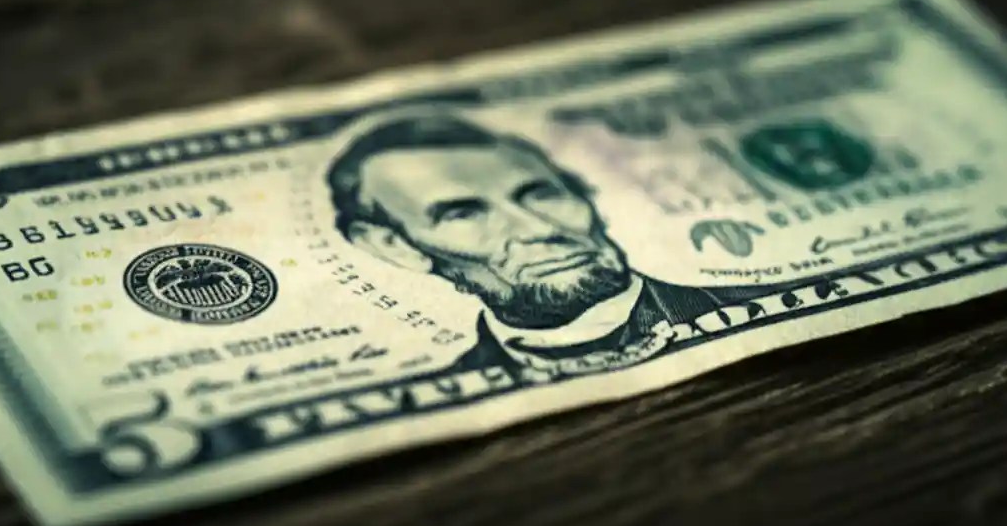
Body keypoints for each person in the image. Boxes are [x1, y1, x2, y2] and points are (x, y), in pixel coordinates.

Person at [326, 111, 777, 383]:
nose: (537, 228)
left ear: (582, 195)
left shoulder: (762, 310)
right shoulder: (450, 388)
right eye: (463, 214)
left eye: (542, 195)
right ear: (393, 246)